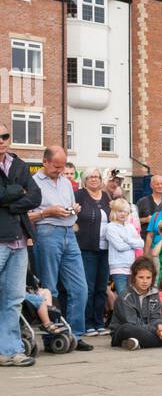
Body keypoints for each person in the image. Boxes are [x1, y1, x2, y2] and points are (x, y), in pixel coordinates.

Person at [29, 146, 92, 351]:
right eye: (56, 166)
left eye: (63, 166)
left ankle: (74, 334)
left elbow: (70, 206)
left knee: (80, 287)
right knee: (50, 287)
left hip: (68, 233)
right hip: (47, 233)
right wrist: (47, 212)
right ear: (45, 162)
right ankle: (52, 336)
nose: (60, 170)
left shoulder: (66, 182)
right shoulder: (33, 182)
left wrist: (75, 209)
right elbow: (26, 215)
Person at [0, 122, 41, 367]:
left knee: (14, 298)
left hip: (19, 238)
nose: (1, 140)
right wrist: (18, 190)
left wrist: (10, 202)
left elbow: (35, 196)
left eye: (5, 135)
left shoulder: (19, 164)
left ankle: (10, 350)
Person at [110, 257, 162, 350]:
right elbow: (133, 323)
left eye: (148, 277)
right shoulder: (125, 296)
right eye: (141, 277)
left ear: (153, 278)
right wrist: (156, 331)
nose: (145, 281)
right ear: (134, 277)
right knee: (127, 328)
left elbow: (156, 317)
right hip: (127, 330)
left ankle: (137, 342)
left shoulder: (154, 293)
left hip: (149, 330)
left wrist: (159, 326)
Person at [75, 168, 112, 334]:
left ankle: (99, 322)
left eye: (96, 177)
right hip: (87, 247)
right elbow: (72, 215)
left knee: (101, 287)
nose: (94, 180)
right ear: (84, 180)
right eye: (90, 177)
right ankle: (87, 322)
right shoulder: (79, 195)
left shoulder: (105, 196)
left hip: (105, 248)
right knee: (88, 288)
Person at [105, 199, 141, 295]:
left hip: (132, 267)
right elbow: (119, 246)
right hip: (118, 267)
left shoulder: (130, 227)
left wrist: (126, 239)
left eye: (125, 212)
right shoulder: (110, 227)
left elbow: (141, 243)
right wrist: (133, 243)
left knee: (132, 296)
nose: (123, 214)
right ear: (114, 211)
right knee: (123, 296)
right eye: (120, 211)